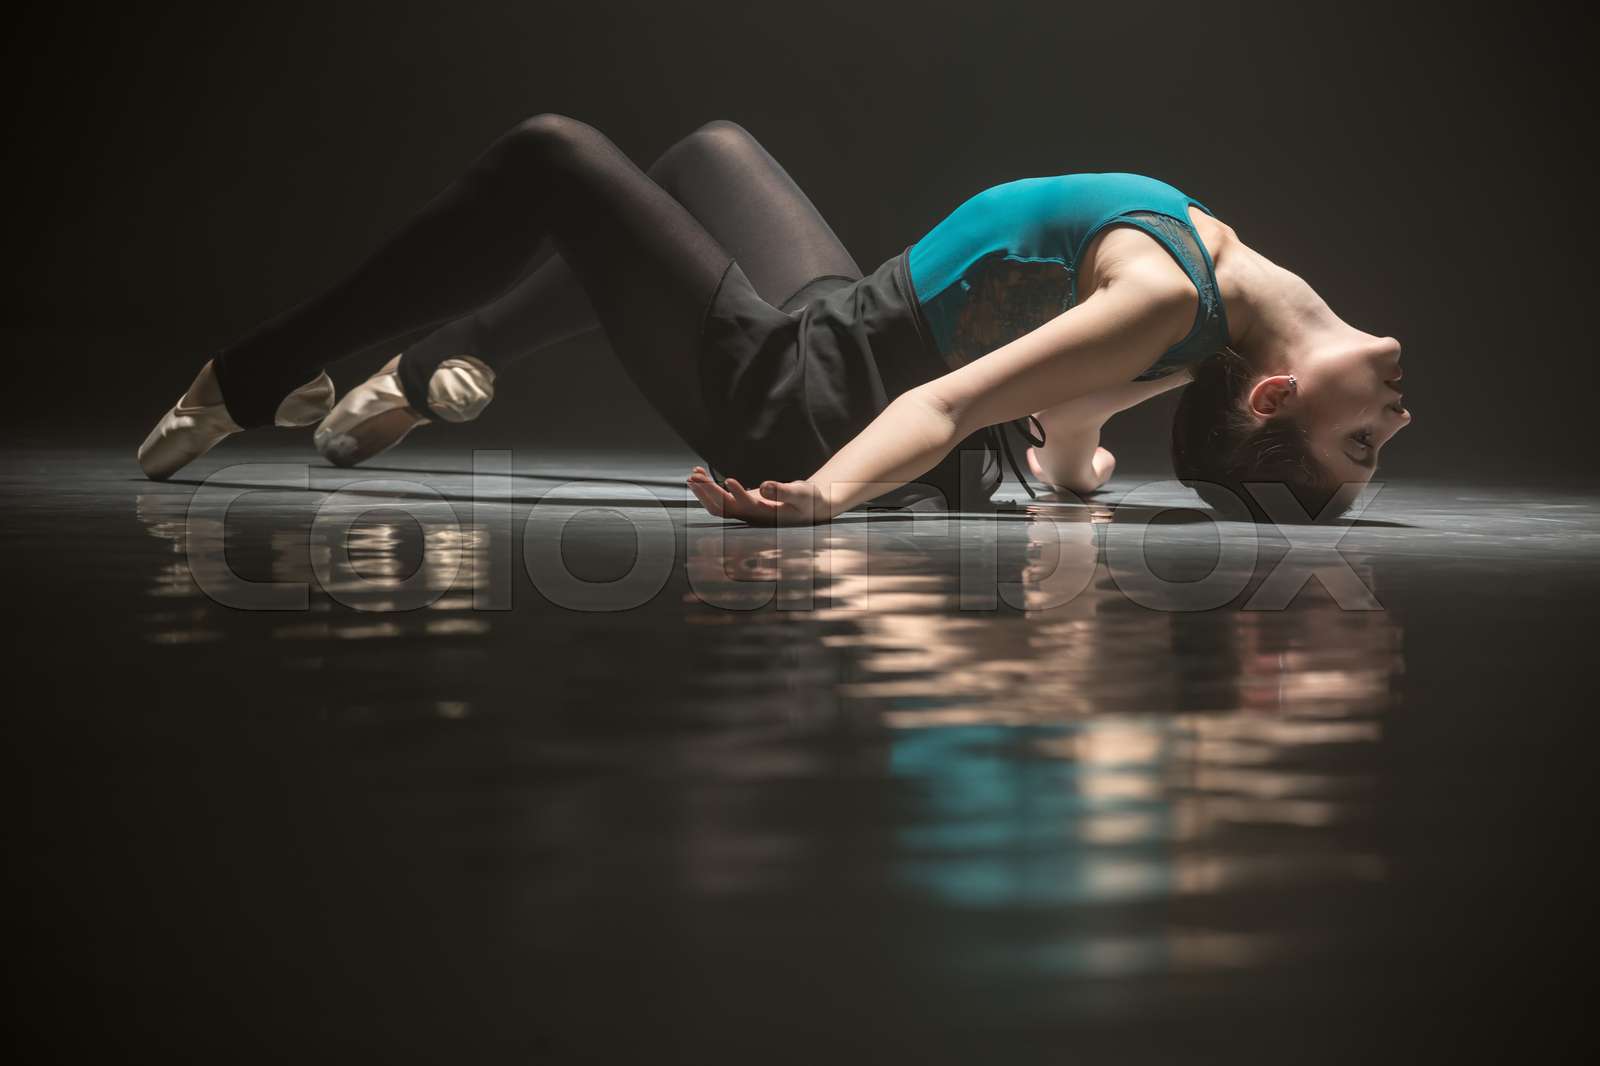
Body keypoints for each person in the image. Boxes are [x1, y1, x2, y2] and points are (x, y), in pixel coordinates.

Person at [137, 114, 1409, 525]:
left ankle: (256, 379)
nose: (1392, 425)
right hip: (842, 331)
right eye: (1376, 451)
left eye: (1364, 448)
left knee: (555, 156)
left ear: (1273, 400)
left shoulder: (1168, 302)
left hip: (804, 405)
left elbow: (951, 404)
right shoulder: (1197, 308)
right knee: (708, 154)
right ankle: (438, 361)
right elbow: (1067, 429)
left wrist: (826, 499)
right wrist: (1078, 475)